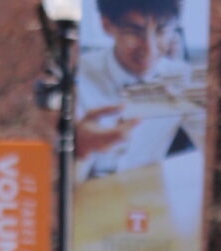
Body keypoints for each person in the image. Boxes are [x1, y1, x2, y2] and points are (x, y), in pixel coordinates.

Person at [75, 0, 205, 182]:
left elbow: (217, 155)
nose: (149, 49)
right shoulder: (77, 77)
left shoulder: (183, 80)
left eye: (161, 30)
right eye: (135, 32)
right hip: (83, 195)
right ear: (107, 26)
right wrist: (79, 149)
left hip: (148, 196)